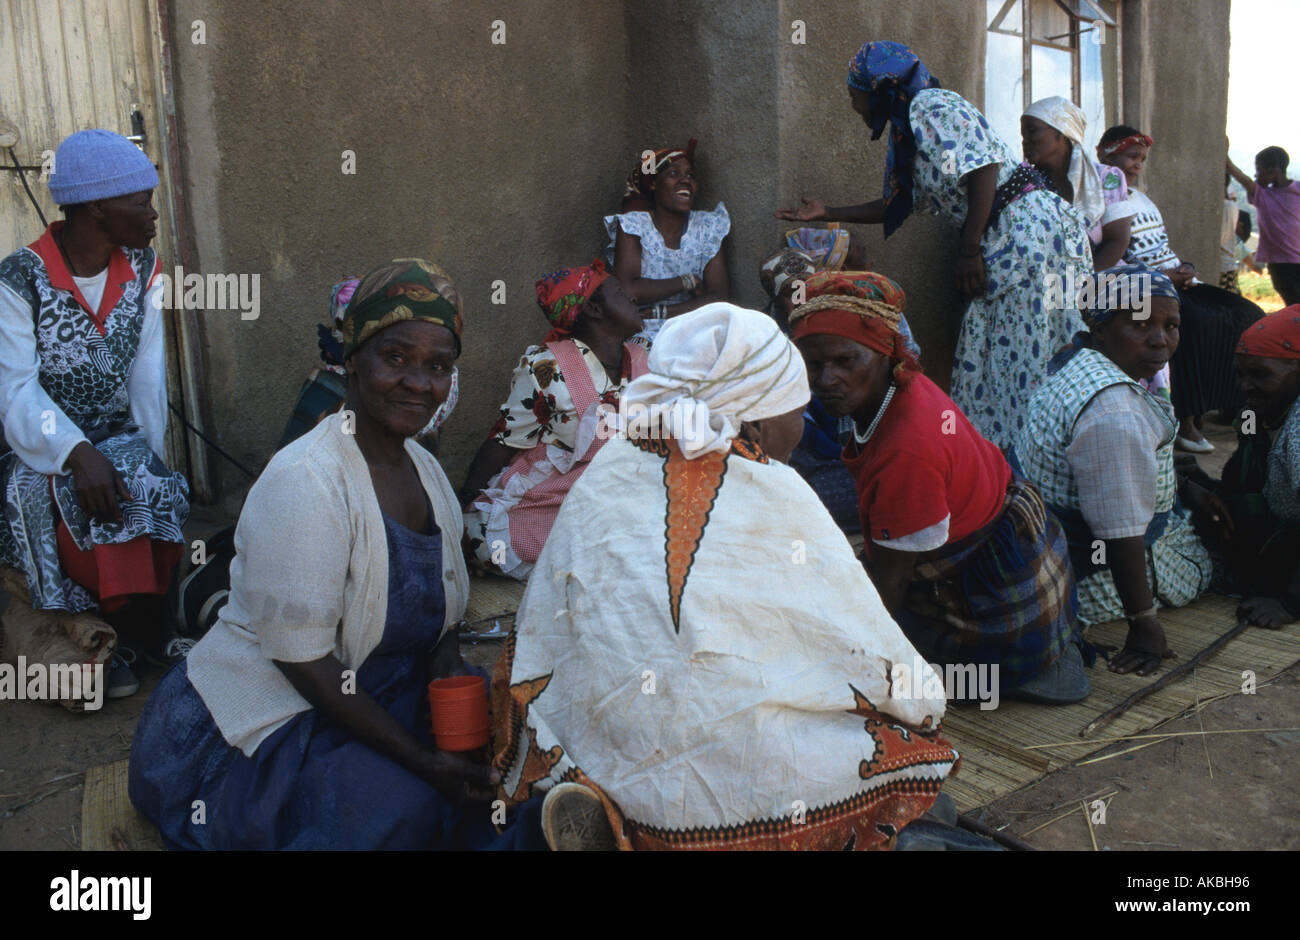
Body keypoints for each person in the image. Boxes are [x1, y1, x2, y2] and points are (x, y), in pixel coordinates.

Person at [493, 304, 959, 851]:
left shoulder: (614, 464)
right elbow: (873, 658)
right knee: (909, 755)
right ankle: (672, 827)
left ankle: (610, 810)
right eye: (798, 410)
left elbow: (546, 621)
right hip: (715, 783)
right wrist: (923, 705)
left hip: (589, 737)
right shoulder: (779, 493)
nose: (803, 425)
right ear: (757, 420)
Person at [128, 259, 545, 850]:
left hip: (380, 688)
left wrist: (455, 686)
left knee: (517, 749)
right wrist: (428, 763)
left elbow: (440, 626)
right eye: (395, 357)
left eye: (438, 366)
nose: (418, 382)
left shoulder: (425, 473)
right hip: (278, 716)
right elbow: (306, 664)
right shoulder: (307, 480)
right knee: (405, 811)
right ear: (352, 357)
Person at [791, 270, 1088, 704]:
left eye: (845, 361)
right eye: (814, 365)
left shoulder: (906, 450)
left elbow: (889, 588)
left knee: (842, 639)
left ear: (884, 353)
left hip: (999, 602)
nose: (826, 380)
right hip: (1011, 553)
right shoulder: (906, 388)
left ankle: (1005, 672)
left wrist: (848, 662)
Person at [776, 40, 1091, 449]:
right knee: (1007, 356)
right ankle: (1010, 461)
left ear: (878, 88)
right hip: (1016, 234)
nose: (853, 106)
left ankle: (1030, 463)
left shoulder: (931, 106)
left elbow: (983, 167)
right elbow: (901, 204)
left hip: (1027, 233)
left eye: (854, 95)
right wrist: (828, 212)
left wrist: (969, 249)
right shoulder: (912, 130)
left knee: (1023, 355)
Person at [0, 129, 190, 702]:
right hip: (38, 443)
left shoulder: (142, 266)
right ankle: (115, 637)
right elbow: (15, 390)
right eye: (141, 202)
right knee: (74, 498)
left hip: (114, 434)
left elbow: (147, 378)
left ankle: (147, 629)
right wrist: (77, 453)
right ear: (98, 207)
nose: (153, 214)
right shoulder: (19, 279)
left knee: (147, 485)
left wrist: (146, 455)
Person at [1011, 266, 1215, 676]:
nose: (1160, 339)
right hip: (1095, 579)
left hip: (1053, 545)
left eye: (1171, 325)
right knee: (1226, 548)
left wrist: (1185, 484)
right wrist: (1143, 622)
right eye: (1140, 324)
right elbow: (1121, 532)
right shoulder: (1115, 410)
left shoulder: (1077, 361)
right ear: (1101, 327)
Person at [460, 261, 648, 580]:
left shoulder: (645, 359)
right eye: (619, 291)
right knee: (487, 545)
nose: (632, 297)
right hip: (553, 503)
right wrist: (461, 505)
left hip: (622, 500)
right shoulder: (548, 369)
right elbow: (502, 442)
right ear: (593, 310)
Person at [1101, 125, 1263, 453]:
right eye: (1132, 156)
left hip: (1175, 280)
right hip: (1148, 287)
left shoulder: (1142, 199)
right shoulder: (1099, 200)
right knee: (1194, 324)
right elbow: (1115, 259)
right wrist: (1164, 278)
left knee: (1247, 315)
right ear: (1106, 154)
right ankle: (1187, 420)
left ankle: (1241, 416)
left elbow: (1162, 247)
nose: (1137, 165)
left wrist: (1185, 268)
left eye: (1142, 159)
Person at [1198, 309, 1300, 629]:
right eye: (1240, 374)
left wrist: (1289, 603)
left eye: (1259, 375)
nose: (1245, 386)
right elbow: (1245, 476)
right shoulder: (1260, 413)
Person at [604, 140, 730, 340]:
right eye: (674, 173)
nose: (685, 180)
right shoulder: (634, 226)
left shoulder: (708, 226)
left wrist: (659, 312)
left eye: (690, 175)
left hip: (696, 325)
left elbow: (719, 299)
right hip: (641, 330)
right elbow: (627, 291)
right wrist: (685, 281)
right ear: (653, 183)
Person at [1021, 96, 1135, 270]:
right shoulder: (1025, 184)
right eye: (1023, 135)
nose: (1025, 141)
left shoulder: (1106, 178)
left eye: (1032, 131)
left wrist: (1082, 282)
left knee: (1155, 289)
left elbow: (1117, 240)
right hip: (1046, 277)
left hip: (1101, 271)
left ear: (1061, 133)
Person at [1228, 146, 1300, 306]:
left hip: (1286, 264)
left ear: (1272, 171)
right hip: (1280, 266)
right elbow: (1243, 179)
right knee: (1294, 307)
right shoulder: (1262, 194)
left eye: (1259, 170)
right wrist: (1226, 159)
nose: (1255, 175)